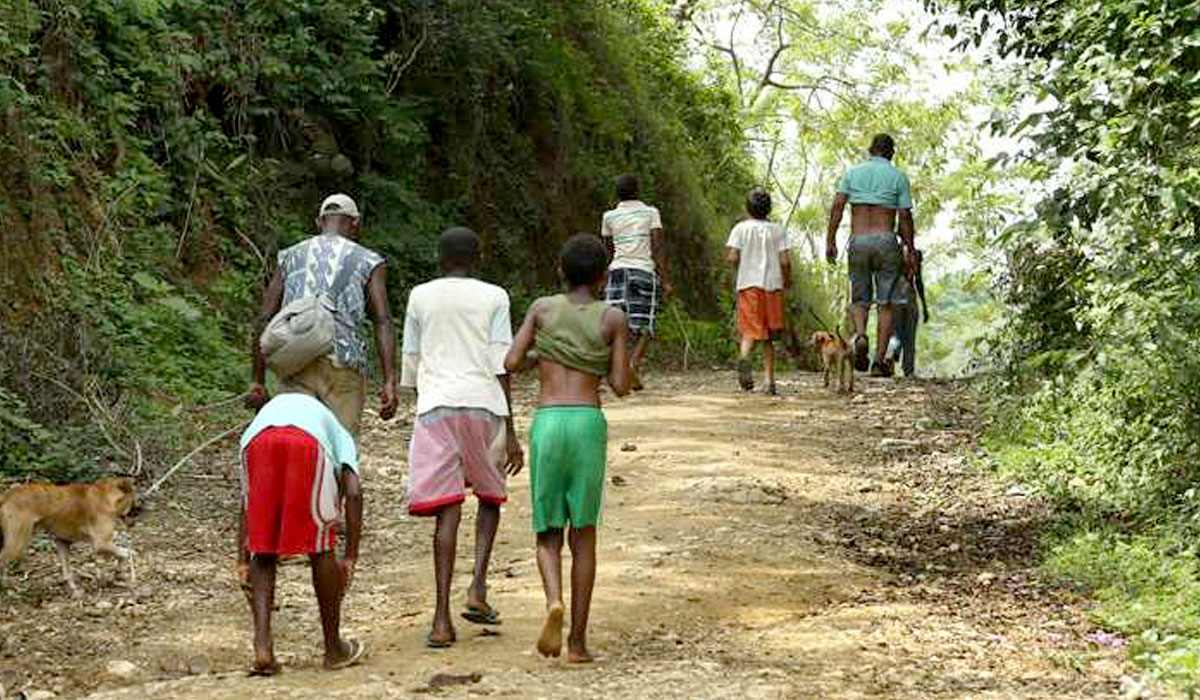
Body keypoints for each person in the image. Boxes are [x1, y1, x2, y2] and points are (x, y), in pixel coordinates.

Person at [504, 233, 631, 663]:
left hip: (548, 421)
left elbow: (511, 362)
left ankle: (553, 601)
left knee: (547, 531)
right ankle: (577, 642)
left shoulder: (541, 309)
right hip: (587, 423)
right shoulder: (612, 317)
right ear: (603, 277)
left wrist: (544, 352)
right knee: (584, 533)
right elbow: (620, 385)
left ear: (560, 271)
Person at [400, 227, 524, 648]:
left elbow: (412, 360)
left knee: (447, 508)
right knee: (489, 496)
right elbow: (501, 363)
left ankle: (441, 619)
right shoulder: (495, 296)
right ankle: (477, 586)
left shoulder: (420, 295)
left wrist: (424, 398)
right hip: (484, 404)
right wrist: (511, 430)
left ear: (439, 257)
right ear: (478, 257)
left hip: (436, 406)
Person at [247, 193, 398, 436]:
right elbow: (382, 320)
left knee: (295, 441)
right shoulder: (369, 260)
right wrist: (389, 380)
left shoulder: (290, 255)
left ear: (319, 222)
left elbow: (265, 316)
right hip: (342, 363)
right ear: (355, 223)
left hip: (296, 359)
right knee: (342, 444)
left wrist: (257, 380)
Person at [236, 392, 365, 675]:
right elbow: (354, 491)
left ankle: (262, 648)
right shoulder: (337, 430)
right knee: (320, 545)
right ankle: (334, 649)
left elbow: (246, 505)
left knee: (264, 543)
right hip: (308, 445)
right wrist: (350, 558)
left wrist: (242, 560)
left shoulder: (264, 419)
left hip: (256, 443)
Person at [826, 134, 917, 376]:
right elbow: (905, 216)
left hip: (859, 239)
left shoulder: (852, 173)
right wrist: (909, 249)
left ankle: (861, 335)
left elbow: (838, 205)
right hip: (886, 240)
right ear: (891, 153)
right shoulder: (898, 176)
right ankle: (878, 362)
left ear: (870, 150)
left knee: (860, 298)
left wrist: (830, 240)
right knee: (885, 303)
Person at [601, 174, 669, 390]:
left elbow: (608, 250)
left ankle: (620, 367)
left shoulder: (609, 217)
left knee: (616, 324)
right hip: (643, 271)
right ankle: (632, 364)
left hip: (617, 272)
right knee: (646, 324)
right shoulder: (651, 213)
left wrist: (604, 276)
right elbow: (657, 247)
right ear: (638, 191)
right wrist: (665, 279)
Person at [726, 188, 792, 395]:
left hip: (748, 285)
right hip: (773, 286)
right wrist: (788, 280)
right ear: (769, 209)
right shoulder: (778, 230)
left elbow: (732, 257)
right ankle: (769, 381)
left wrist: (738, 272)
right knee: (769, 335)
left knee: (749, 329)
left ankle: (744, 357)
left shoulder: (740, 229)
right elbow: (785, 261)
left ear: (747, 208)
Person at [888, 248, 929, 378]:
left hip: (895, 299)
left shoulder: (894, 257)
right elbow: (919, 283)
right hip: (909, 298)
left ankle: (892, 356)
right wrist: (924, 306)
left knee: (896, 333)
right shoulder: (915, 256)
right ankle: (908, 370)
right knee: (909, 337)